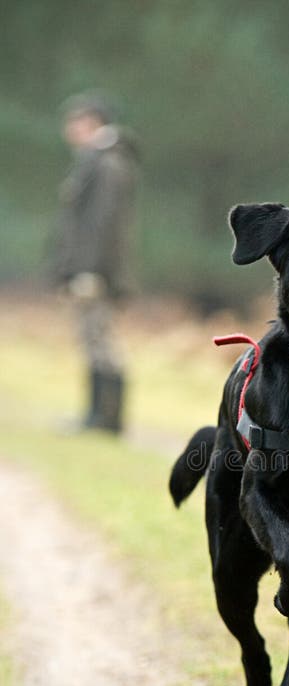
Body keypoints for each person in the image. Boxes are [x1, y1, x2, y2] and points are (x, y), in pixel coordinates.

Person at [51, 93, 139, 433]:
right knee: (92, 339)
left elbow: (104, 225)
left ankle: (107, 419)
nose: (69, 130)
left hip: (99, 271)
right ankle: (95, 416)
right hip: (92, 269)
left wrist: (90, 271)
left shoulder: (108, 164)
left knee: (102, 341)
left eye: (74, 122)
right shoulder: (96, 161)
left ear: (91, 122)